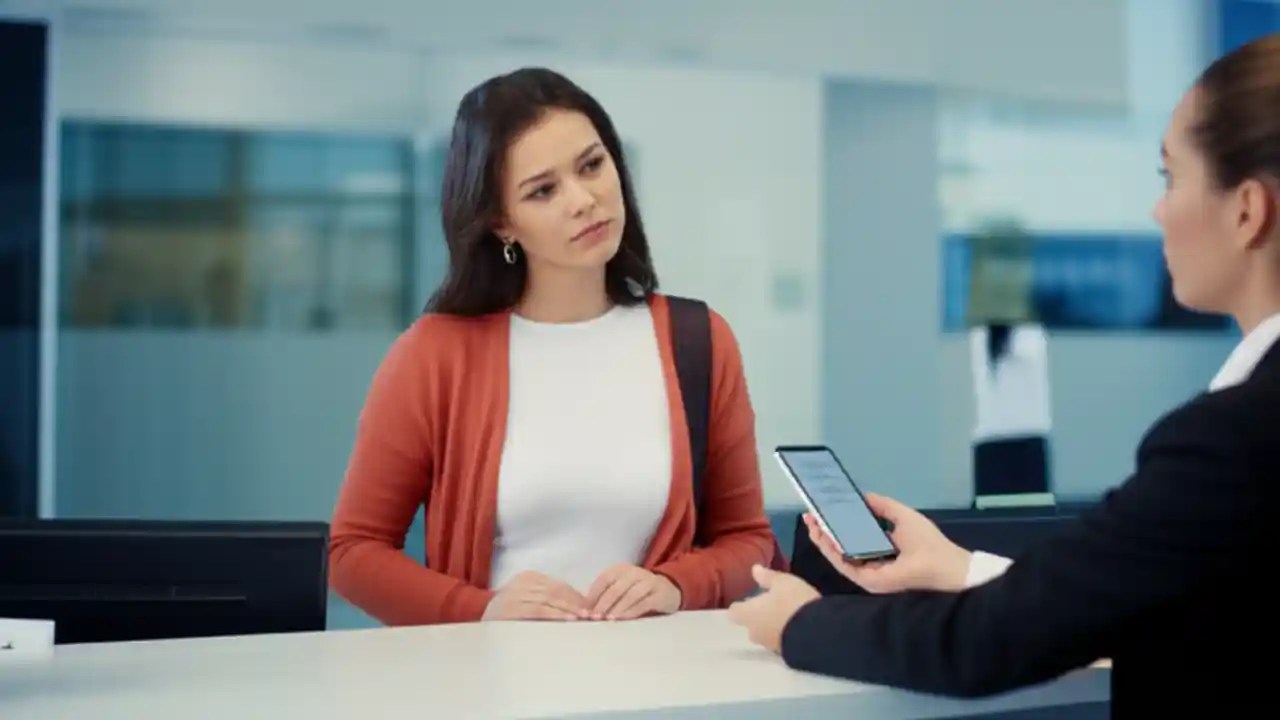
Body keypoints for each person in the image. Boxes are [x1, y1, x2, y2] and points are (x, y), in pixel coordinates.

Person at [729, 33, 1280, 711]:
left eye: (1169, 178)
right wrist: (955, 567)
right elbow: (1133, 592)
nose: (1157, 210)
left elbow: (984, 644)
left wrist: (800, 624)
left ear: (1248, 210)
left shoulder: (1232, 440)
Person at [327, 67, 776, 625]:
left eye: (592, 165)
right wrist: (481, 610)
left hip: (663, 687)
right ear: (501, 223)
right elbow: (353, 554)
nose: (583, 200)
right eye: (543, 190)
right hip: (493, 690)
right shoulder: (436, 354)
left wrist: (675, 586)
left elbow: (750, 541)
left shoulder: (700, 340)